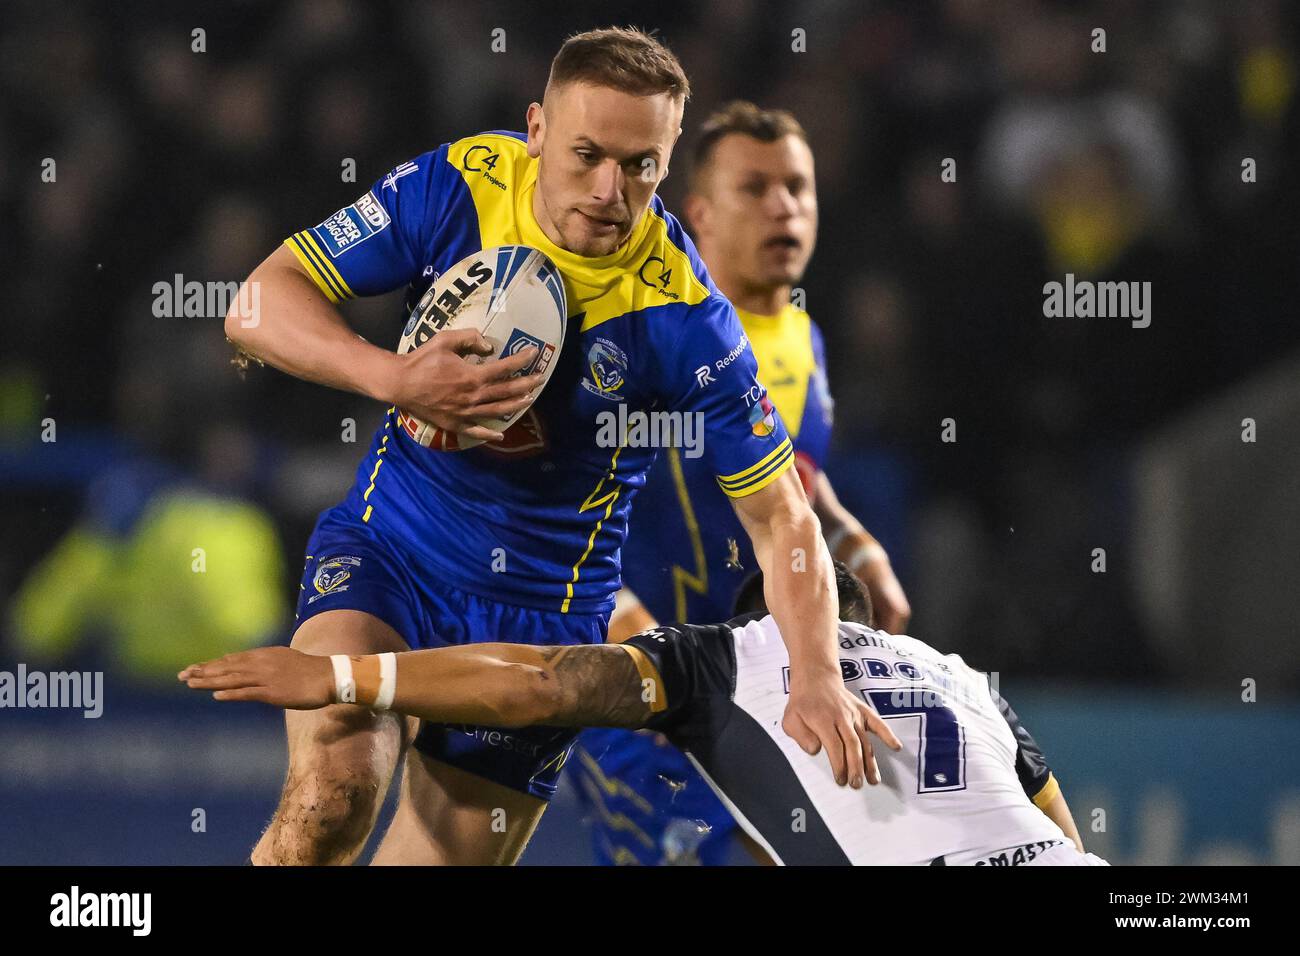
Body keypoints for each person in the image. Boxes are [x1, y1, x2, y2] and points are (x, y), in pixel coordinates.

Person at [224, 27, 880, 865]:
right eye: (587, 155)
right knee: (330, 799)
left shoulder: (688, 318)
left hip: (538, 631)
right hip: (390, 552)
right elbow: (256, 302)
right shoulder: (463, 182)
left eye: (640, 165)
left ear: (669, 160)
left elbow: (781, 518)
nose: (611, 189)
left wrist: (818, 671)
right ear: (535, 131)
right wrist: (390, 377)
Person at [180, 563, 1105, 866]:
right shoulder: (959, 675)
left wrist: (347, 677)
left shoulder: (733, 655)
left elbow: (542, 684)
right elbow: (1058, 835)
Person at [569, 101, 911, 865]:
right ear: (699, 215)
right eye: (754, 188)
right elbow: (554, 501)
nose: (783, 205)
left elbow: (794, 487)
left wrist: (859, 545)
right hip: (634, 688)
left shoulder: (806, 338)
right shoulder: (645, 335)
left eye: (798, 186)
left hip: (758, 694)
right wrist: (626, 631)